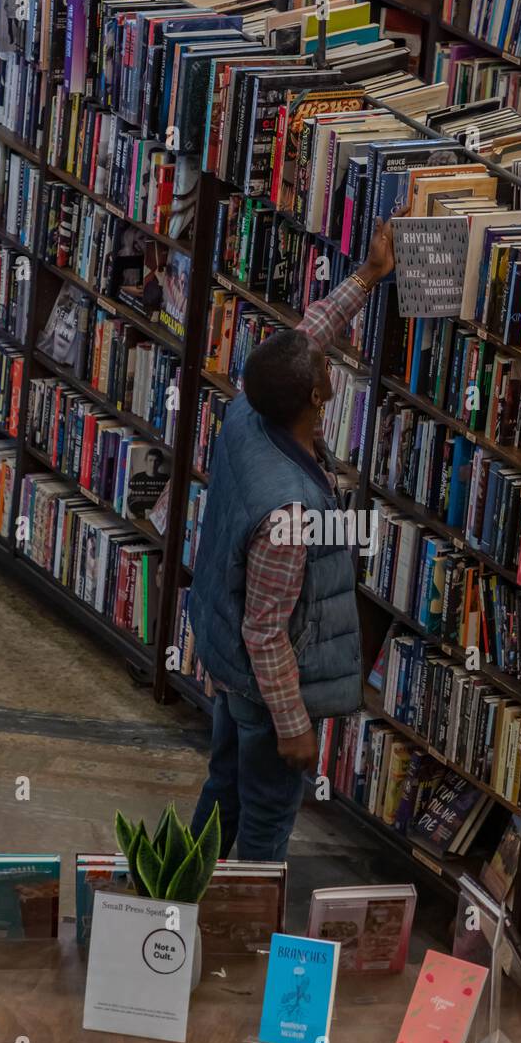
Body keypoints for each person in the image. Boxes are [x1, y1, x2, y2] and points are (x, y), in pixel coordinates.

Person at [188, 215, 400, 861]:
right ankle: (243, 939)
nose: (324, 358)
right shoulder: (289, 512)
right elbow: (266, 629)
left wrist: (367, 276)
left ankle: (178, 901)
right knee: (266, 820)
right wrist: (294, 726)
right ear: (316, 394)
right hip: (263, 684)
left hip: (224, 659)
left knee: (223, 783)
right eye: (322, 369)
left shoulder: (253, 407)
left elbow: (307, 335)